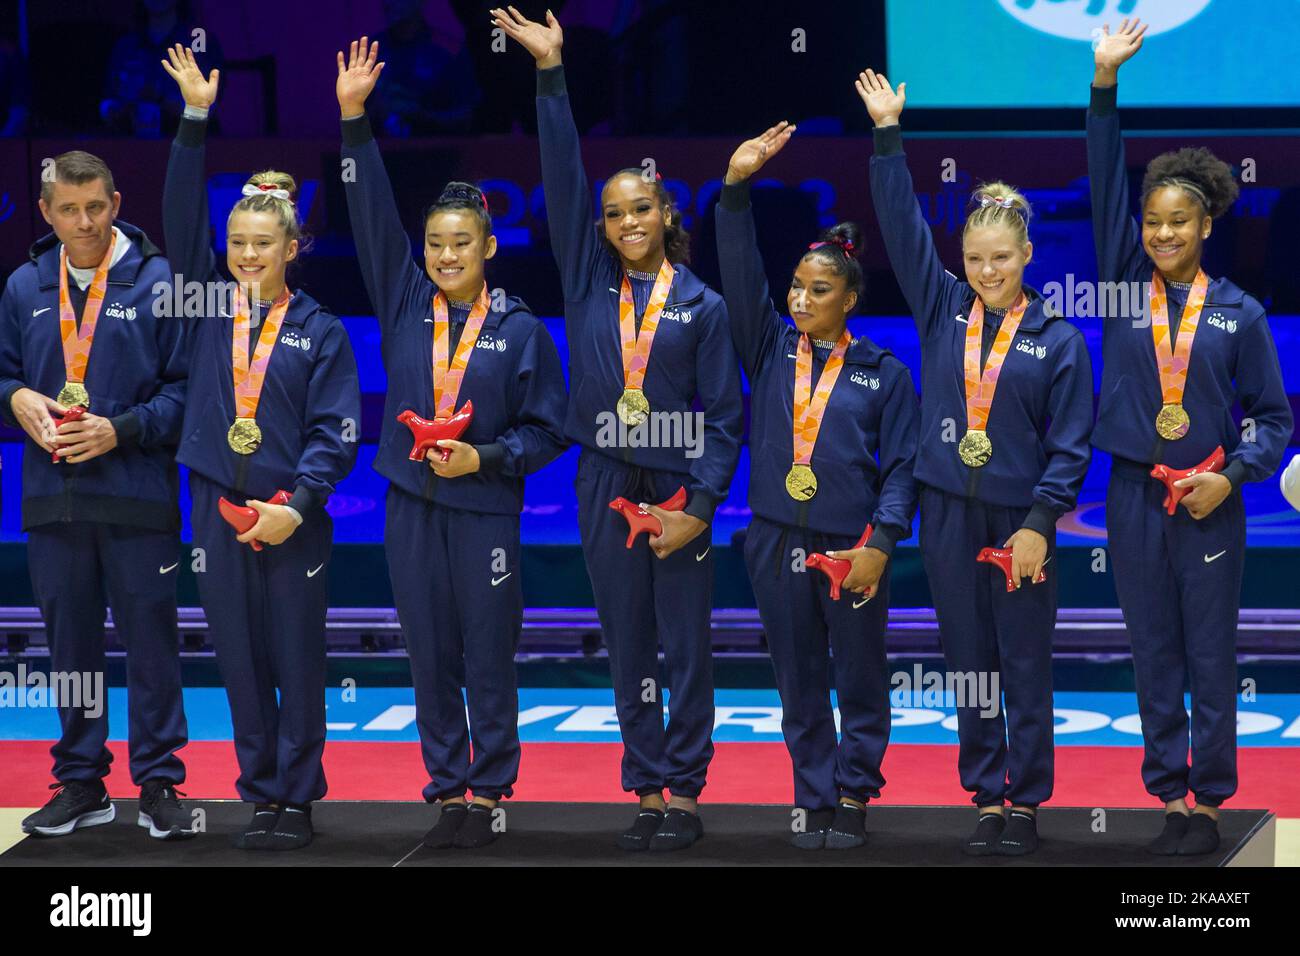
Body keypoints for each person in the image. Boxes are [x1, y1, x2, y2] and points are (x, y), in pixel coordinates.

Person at [494, 7, 743, 852]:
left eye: (640, 208)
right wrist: (551, 74)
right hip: (603, 478)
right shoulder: (586, 280)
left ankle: (688, 791)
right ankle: (648, 786)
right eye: (613, 214)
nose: (627, 222)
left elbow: (726, 418)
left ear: (665, 211)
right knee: (630, 643)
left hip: (675, 487)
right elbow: (561, 173)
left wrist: (700, 507)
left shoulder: (704, 306)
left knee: (687, 647)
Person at [337, 37, 567, 849]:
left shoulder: (520, 329)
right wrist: (354, 120)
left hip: (484, 511)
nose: (443, 255)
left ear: (488, 248)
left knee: (487, 653)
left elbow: (551, 431)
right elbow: (371, 217)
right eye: (434, 242)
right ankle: (448, 790)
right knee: (428, 652)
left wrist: (486, 459)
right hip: (410, 506)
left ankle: (490, 788)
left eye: (460, 243)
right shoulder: (405, 301)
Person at [862, 68, 1094, 856]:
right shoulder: (942, 308)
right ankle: (986, 797)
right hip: (946, 515)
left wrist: (1039, 523)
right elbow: (899, 224)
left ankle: (1025, 801)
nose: (987, 271)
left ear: (1027, 253)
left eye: (1001, 257)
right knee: (968, 660)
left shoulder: (1059, 340)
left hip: (1019, 520)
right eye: (974, 257)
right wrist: (888, 137)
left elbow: (1071, 445)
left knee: (1022, 660)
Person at [1086, 20, 1292, 856]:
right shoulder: (1121, 284)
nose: (1163, 233)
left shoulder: (1241, 313)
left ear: (1206, 225)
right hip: (1135, 494)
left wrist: (1232, 476)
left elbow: (1273, 420)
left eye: (1179, 221)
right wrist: (1105, 84)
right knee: (1152, 651)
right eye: (1152, 221)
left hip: (1209, 499)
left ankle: (1209, 802)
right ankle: (1168, 796)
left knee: (1210, 655)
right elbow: (1104, 174)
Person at [162, 44, 360, 850]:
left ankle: (299, 798)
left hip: (290, 517)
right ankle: (262, 795)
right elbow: (179, 218)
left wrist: (298, 505)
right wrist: (194, 119)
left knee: (297, 662)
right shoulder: (203, 305)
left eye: (263, 244)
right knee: (239, 662)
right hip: (216, 508)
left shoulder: (321, 331)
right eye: (237, 242)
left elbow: (335, 433)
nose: (247, 256)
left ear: (292, 248)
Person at [716, 122, 919, 850]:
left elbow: (903, 468)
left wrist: (881, 543)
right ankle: (813, 795)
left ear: (850, 299)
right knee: (798, 681)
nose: (801, 299)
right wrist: (734, 190)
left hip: (851, 546)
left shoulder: (885, 374)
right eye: (797, 287)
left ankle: (855, 793)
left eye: (820, 290)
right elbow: (740, 271)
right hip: (775, 540)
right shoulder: (768, 346)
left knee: (859, 676)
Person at [0, 150, 192, 840]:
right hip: (53, 501)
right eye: (68, 209)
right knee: (70, 651)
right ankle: (82, 781)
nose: (83, 222)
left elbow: (189, 391)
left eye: (95, 207)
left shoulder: (161, 281)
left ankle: (160, 781)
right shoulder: (24, 285)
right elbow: (3, 378)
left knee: (152, 646)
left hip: (138, 497)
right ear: (46, 212)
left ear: (115, 204)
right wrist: (13, 395)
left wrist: (123, 429)